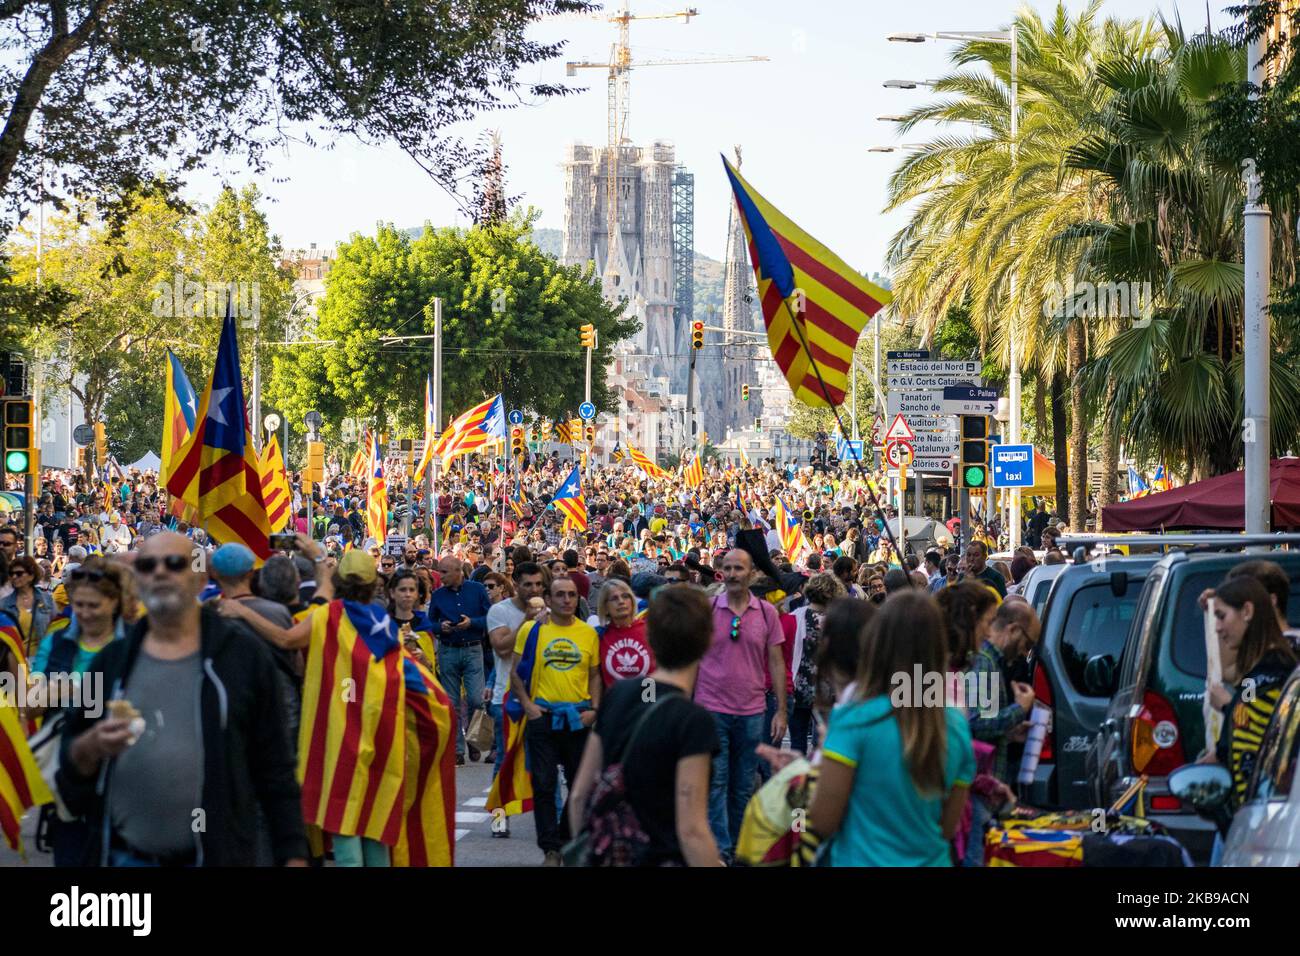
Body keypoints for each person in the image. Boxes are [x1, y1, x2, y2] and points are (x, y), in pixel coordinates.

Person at [58, 532, 308, 866]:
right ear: (137, 582)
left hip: (216, 856)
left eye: (175, 563)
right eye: (148, 565)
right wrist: (90, 746)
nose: (160, 572)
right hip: (124, 858)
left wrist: (294, 853)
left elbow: (275, 767)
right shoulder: (111, 662)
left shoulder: (243, 657)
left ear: (201, 579)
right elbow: (72, 757)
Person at [806, 590, 974, 866]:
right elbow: (947, 828)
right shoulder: (956, 725)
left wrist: (805, 777)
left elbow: (822, 821)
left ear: (877, 643)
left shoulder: (854, 720)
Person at [568, 584, 723, 866]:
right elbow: (692, 831)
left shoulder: (618, 694)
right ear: (708, 639)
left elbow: (579, 796)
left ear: (650, 636)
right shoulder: (694, 720)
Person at [695, 549, 787, 860]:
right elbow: (693, 657)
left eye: (739, 568)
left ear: (751, 574)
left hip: (752, 711)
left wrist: (781, 711)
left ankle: (738, 849)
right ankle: (720, 852)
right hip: (711, 708)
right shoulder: (708, 609)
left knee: (744, 785)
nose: (733, 574)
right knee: (717, 782)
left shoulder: (766, 613)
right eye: (728, 568)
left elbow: (776, 662)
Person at [510, 573, 602, 866]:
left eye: (572, 595)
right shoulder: (532, 630)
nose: (566, 600)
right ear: (548, 599)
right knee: (544, 785)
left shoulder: (588, 633)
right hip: (543, 718)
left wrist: (594, 709)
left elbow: (595, 675)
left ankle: (566, 841)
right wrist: (528, 706)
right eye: (560, 594)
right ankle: (550, 849)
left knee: (578, 787)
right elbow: (515, 673)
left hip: (578, 719)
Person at [1202, 576, 1299, 808]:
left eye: (1221, 616)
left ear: (1247, 611)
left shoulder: (1273, 674)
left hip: (1268, 811)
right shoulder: (1256, 678)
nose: (1217, 627)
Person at [484, 561, 548, 839]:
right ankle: (499, 817)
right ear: (516, 585)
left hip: (543, 697)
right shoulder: (500, 611)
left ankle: (552, 821)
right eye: (528, 585)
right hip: (506, 697)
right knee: (504, 760)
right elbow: (501, 648)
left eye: (538, 585)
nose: (534, 590)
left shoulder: (551, 611)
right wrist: (527, 622)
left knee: (546, 762)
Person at [430, 555, 493, 765]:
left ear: (458, 571)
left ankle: (473, 738)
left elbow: (489, 618)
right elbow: (430, 622)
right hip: (448, 650)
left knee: (476, 699)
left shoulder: (477, 590)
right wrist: (440, 627)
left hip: (473, 648)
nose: (441, 576)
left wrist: (472, 623)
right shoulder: (438, 595)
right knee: (452, 702)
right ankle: (457, 749)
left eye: (444, 572)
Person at [969, 600, 1040, 784]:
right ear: (1013, 630)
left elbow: (981, 725)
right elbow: (978, 724)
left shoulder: (990, 661)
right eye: (1027, 644)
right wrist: (1019, 709)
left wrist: (1008, 734)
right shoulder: (985, 662)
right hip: (978, 785)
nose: (1025, 653)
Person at [787, 572, 847, 756]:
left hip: (799, 686)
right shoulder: (839, 620)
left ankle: (797, 772)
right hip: (828, 689)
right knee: (824, 740)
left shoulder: (795, 616)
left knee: (797, 741)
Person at [595, 577, 655, 686]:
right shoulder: (599, 635)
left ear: (632, 601)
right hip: (614, 696)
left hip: (648, 695)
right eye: (614, 598)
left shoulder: (651, 631)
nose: (621, 601)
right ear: (605, 607)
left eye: (625, 596)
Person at [1, 554, 55, 657]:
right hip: (16, 660)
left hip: (42, 659)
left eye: (19, 573)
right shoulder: (4, 604)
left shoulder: (47, 600)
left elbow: (56, 628)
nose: (14, 577)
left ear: (31, 575)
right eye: (11, 574)